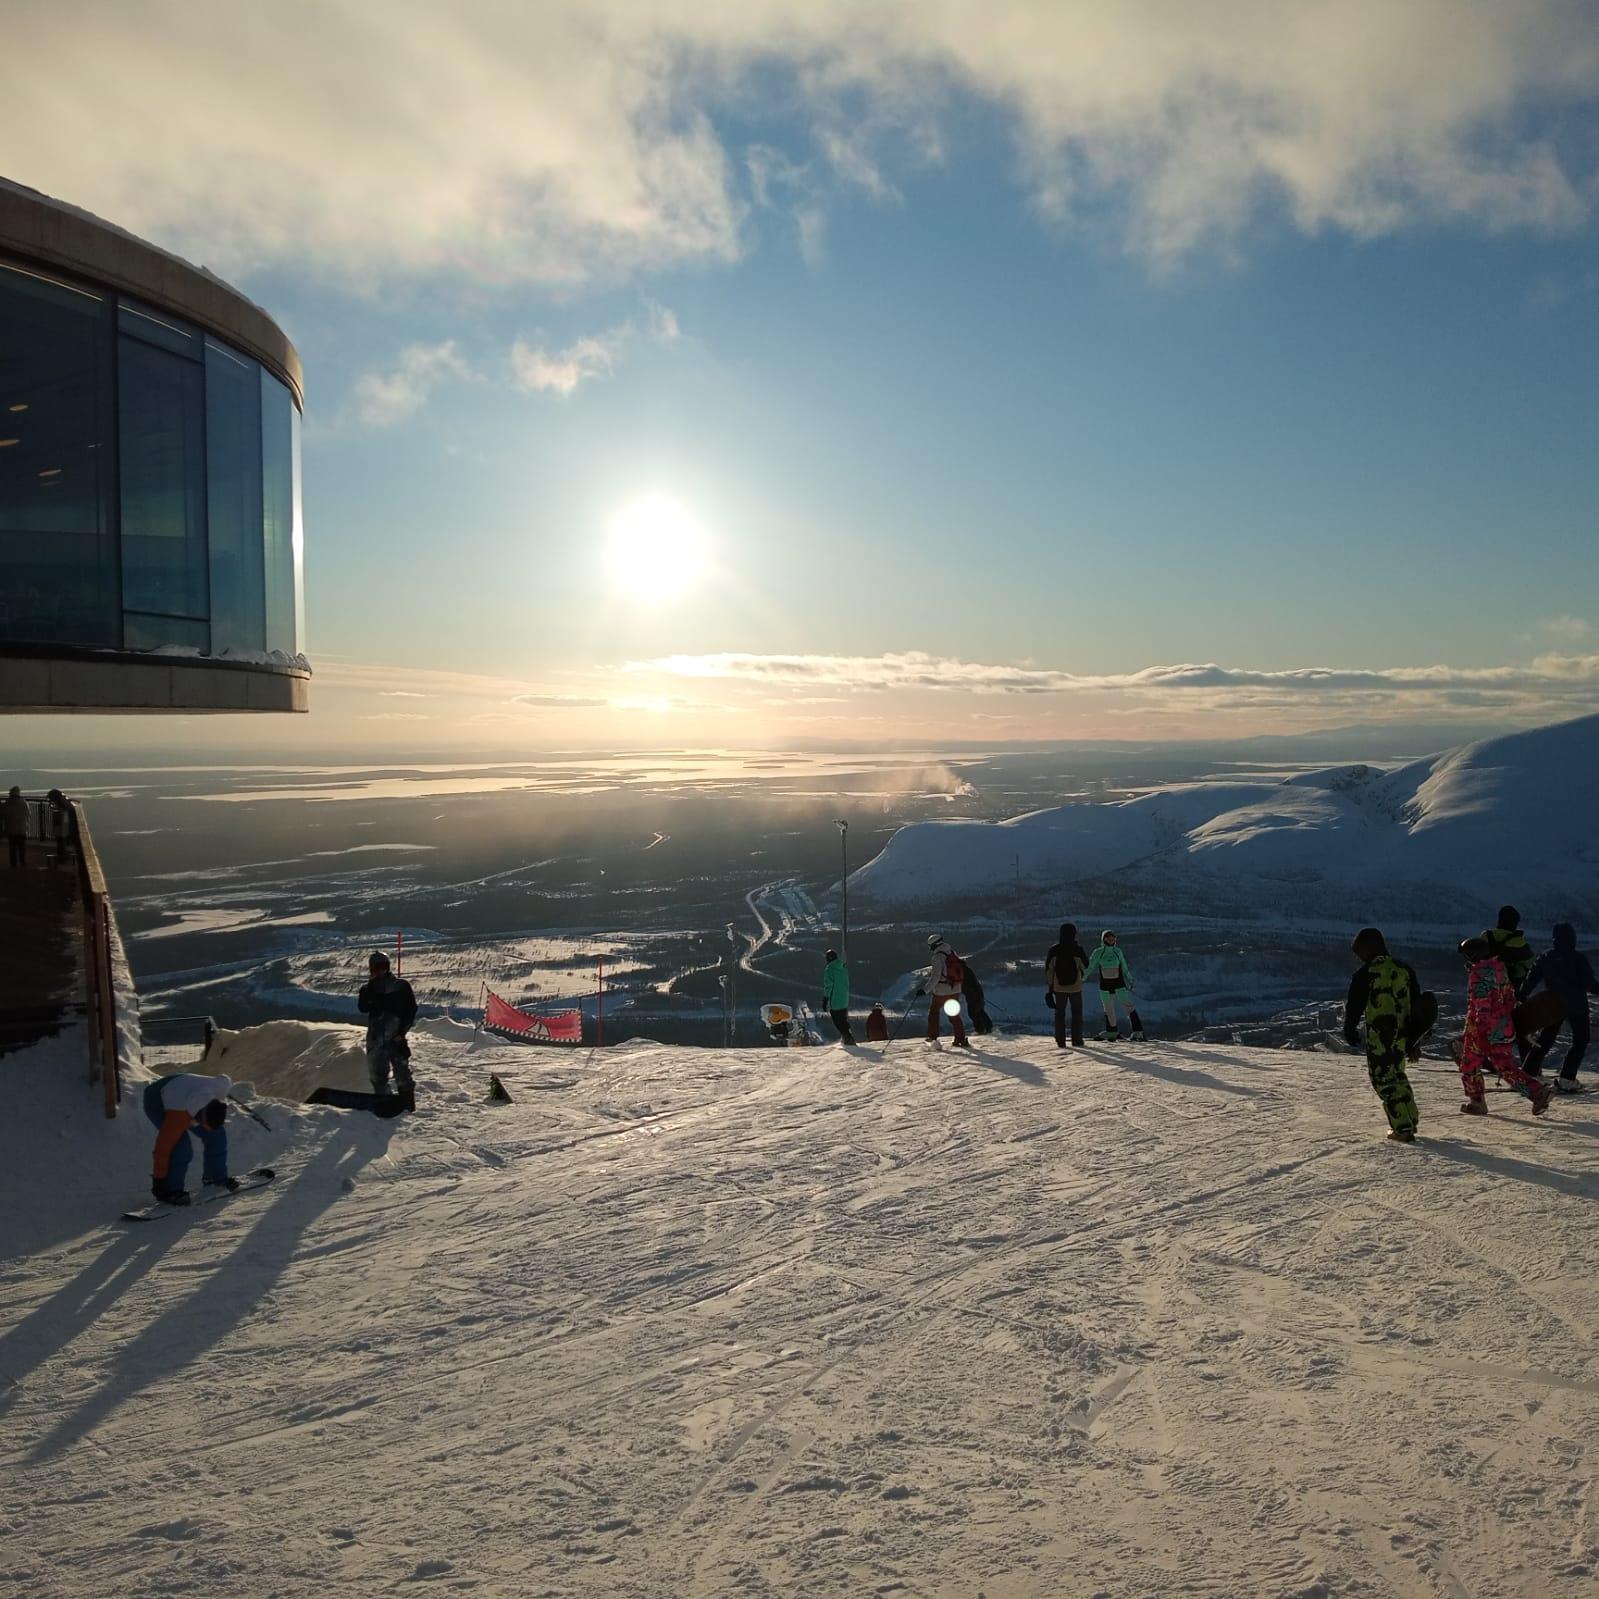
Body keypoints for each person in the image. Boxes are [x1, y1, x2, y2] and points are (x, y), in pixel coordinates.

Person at [1456, 937, 1550, 1117]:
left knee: (1469, 1065)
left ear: (1473, 955)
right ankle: (1537, 1092)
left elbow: (1481, 1005)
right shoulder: (1499, 969)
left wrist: (1481, 1031)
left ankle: (1477, 1102)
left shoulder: (1478, 975)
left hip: (1481, 1029)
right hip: (1503, 1026)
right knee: (1506, 1067)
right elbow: (1509, 998)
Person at [1343, 927, 1422, 1142]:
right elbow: (1417, 1005)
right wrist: (1416, 1038)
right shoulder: (1404, 969)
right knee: (1398, 1075)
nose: (1359, 958)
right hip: (1403, 1036)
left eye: (1360, 953)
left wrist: (1349, 1029)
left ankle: (1402, 1128)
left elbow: (1354, 1006)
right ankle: (1410, 1120)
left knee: (1383, 1079)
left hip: (1380, 1037)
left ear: (1369, 949)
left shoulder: (1365, 974)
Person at [1519, 923, 1596, 1094]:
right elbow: (1589, 984)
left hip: (1553, 1004)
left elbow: (1531, 979)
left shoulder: (1546, 957)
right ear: (1572, 938)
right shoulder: (1578, 958)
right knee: (1580, 1040)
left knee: (1545, 1038)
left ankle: (1528, 1073)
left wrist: (1521, 995)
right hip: (1576, 1005)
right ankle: (1567, 1078)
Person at [144, 1071, 236, 1204]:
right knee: (181, 1147)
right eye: (206, 1125)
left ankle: (215, 1178)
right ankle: (172, 1191)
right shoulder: (178, 1114)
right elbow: (162, 1148)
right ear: (200, 1119)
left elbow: (225, 1078)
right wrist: (159, 1180)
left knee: (217, 1135)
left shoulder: (218, 1087)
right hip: (157, 1100)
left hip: (183, 1084)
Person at [358, 950, 418, 1111]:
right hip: (376, 1038)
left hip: (394, 1037)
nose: (378, 971)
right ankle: (386, 1105)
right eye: (375, 968)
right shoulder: (368, 989)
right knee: (377, 1076)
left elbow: (410, 1010)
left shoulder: (401, 986)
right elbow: (362, 1007)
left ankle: (406, 1107)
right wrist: (371, 988)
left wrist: (401, 1032)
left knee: (402, 1074)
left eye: (380, 967)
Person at [1084, 930, 1144, 1041]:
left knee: (1128, 1006)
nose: (1111, 940)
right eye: (1108, 938)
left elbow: (1124, 967)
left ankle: (1138, 1031)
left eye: (1113, 938)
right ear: (1103, 939)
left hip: (1119, 984)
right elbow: (1090, 967)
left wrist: (1130, 980)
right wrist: (1082, 979)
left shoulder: (1118, 952)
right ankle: (1112, 1031)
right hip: (1105, 986)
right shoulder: (1098, 952)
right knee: (1108, 1009)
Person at [918, 934, 969, 1048]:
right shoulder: (952, 952)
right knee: (954, 1014)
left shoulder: (937, 957)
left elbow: (935, 977)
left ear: (934, 945)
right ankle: (960, 1039)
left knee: (934, 1012)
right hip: (955, 989)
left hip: (941, 991)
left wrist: (924, 990)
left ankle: (933, 1037)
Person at [1044, 921, 1089, 1048]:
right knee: (1077, 1013)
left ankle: (1060, 1040)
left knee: (1059, 1014)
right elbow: (1086, 968)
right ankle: (1077, 1040)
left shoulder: (1054, 950)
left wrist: (1051, 986)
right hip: (1076, 988)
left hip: (1059, 988)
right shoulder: (1078, 950)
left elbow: (1049, 970)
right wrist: (1081, 979)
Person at [1481, 905, 1535, 990]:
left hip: (1484, 984)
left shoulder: (1486, 936)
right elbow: (1531, 965)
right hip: (1509, 989)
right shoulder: (1519, 942)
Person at [821, 948, 855, 1045]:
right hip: (844, 998)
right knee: (843, 1019)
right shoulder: (843, 967)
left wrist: (825, 999)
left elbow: (828, 986)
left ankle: (847, 1037)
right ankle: (847, 1036)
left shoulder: (829, 969)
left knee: (837, 1021)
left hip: (835, 1000)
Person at [962, 962, 994, 1034]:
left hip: (972, 994)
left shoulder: (961, 971)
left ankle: (981, 1029)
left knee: (974, 1012)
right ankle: (987, 1028)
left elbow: (966, 984)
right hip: (975, 992)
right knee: (978, 1011)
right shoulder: (965, 970)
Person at [46, 788, 73, 869]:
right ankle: (62, 858)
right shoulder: (64, 803)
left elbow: (63, 815)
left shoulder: (62, 805)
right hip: (62, 826)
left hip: (62, 826)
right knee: (61, 842)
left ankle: (62, 858)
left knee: (61, 842)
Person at [3, 785, 28, 869]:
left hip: (11, 830)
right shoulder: (24, 802)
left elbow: (3, 814)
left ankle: (13, 864)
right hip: (22, 829)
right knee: (22, 848)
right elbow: (28, 815)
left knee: (12, 848)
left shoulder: (8, 803)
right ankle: (23, 863)